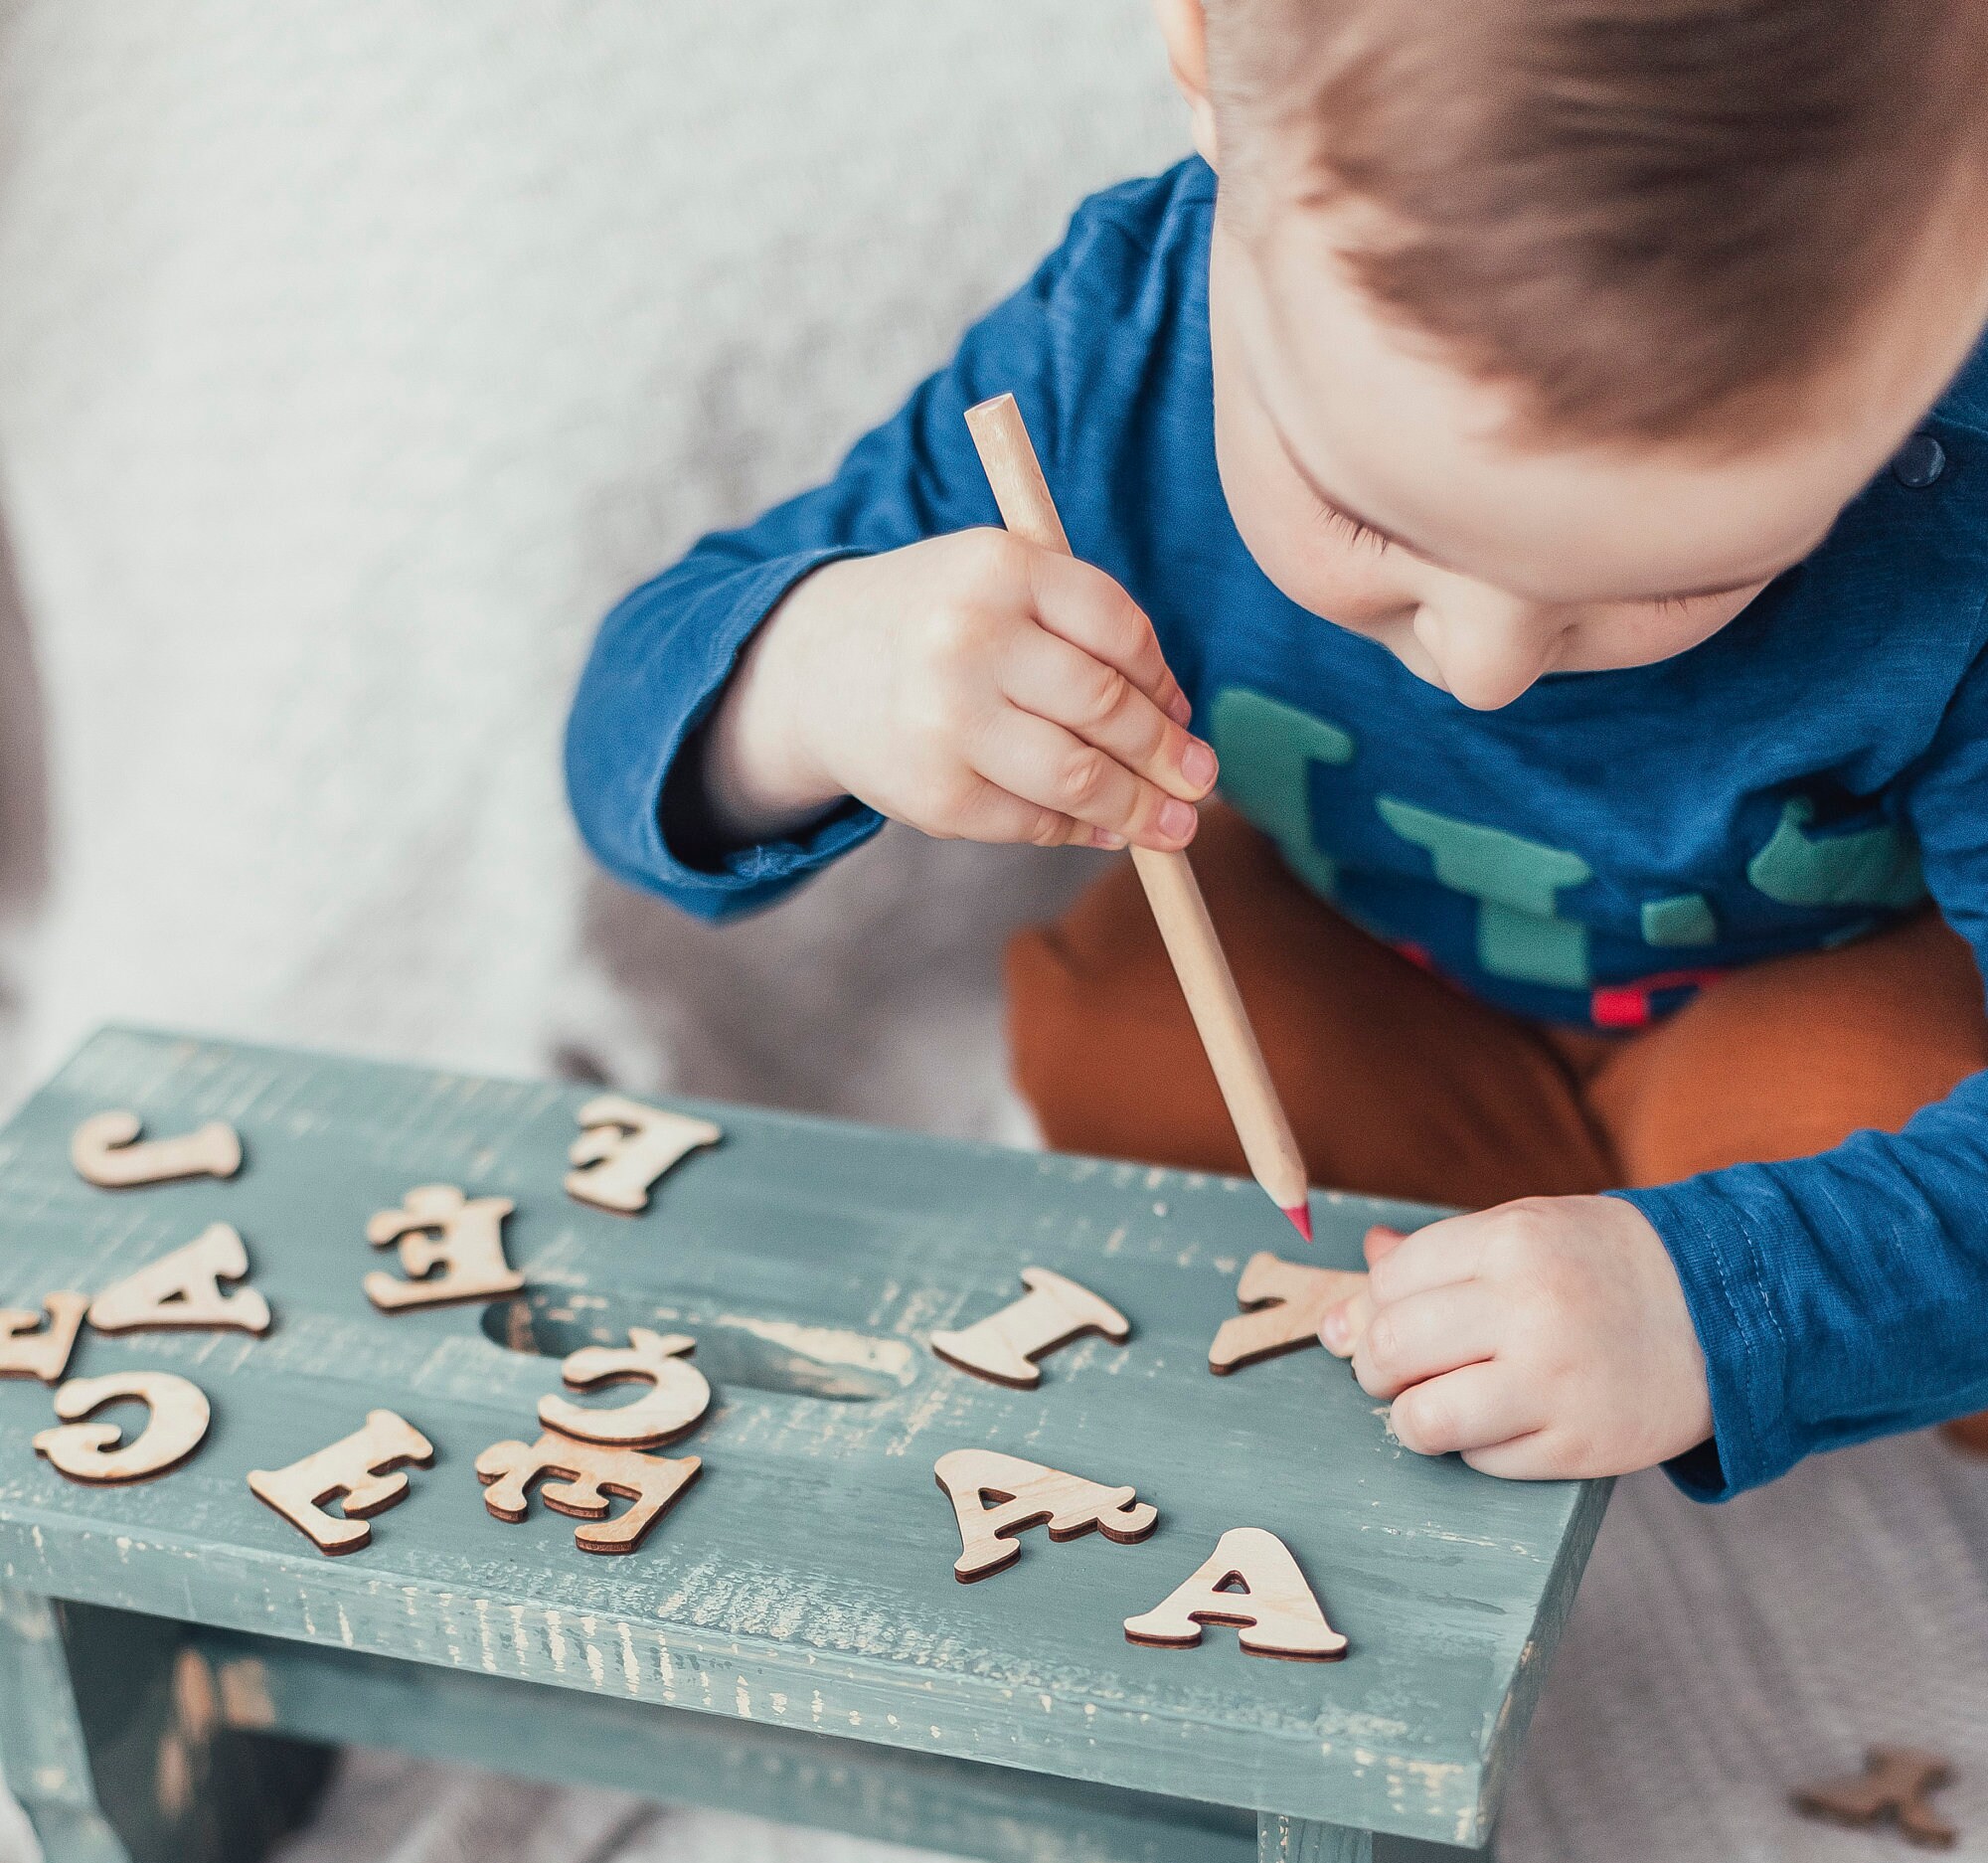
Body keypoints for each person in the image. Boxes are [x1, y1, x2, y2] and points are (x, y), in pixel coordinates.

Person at [566, 0, 1988, 1499]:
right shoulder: (1107, 360)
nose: (1485, 667)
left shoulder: (1955, 497)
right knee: (1133, 1051)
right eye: (1371, 517)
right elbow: (620, 737)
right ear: (1212, 79)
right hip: (1355, 965)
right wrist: (813, 677)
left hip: (1801, 1002)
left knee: (1860, 1121)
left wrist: (1716, 1307)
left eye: (1689, 575)